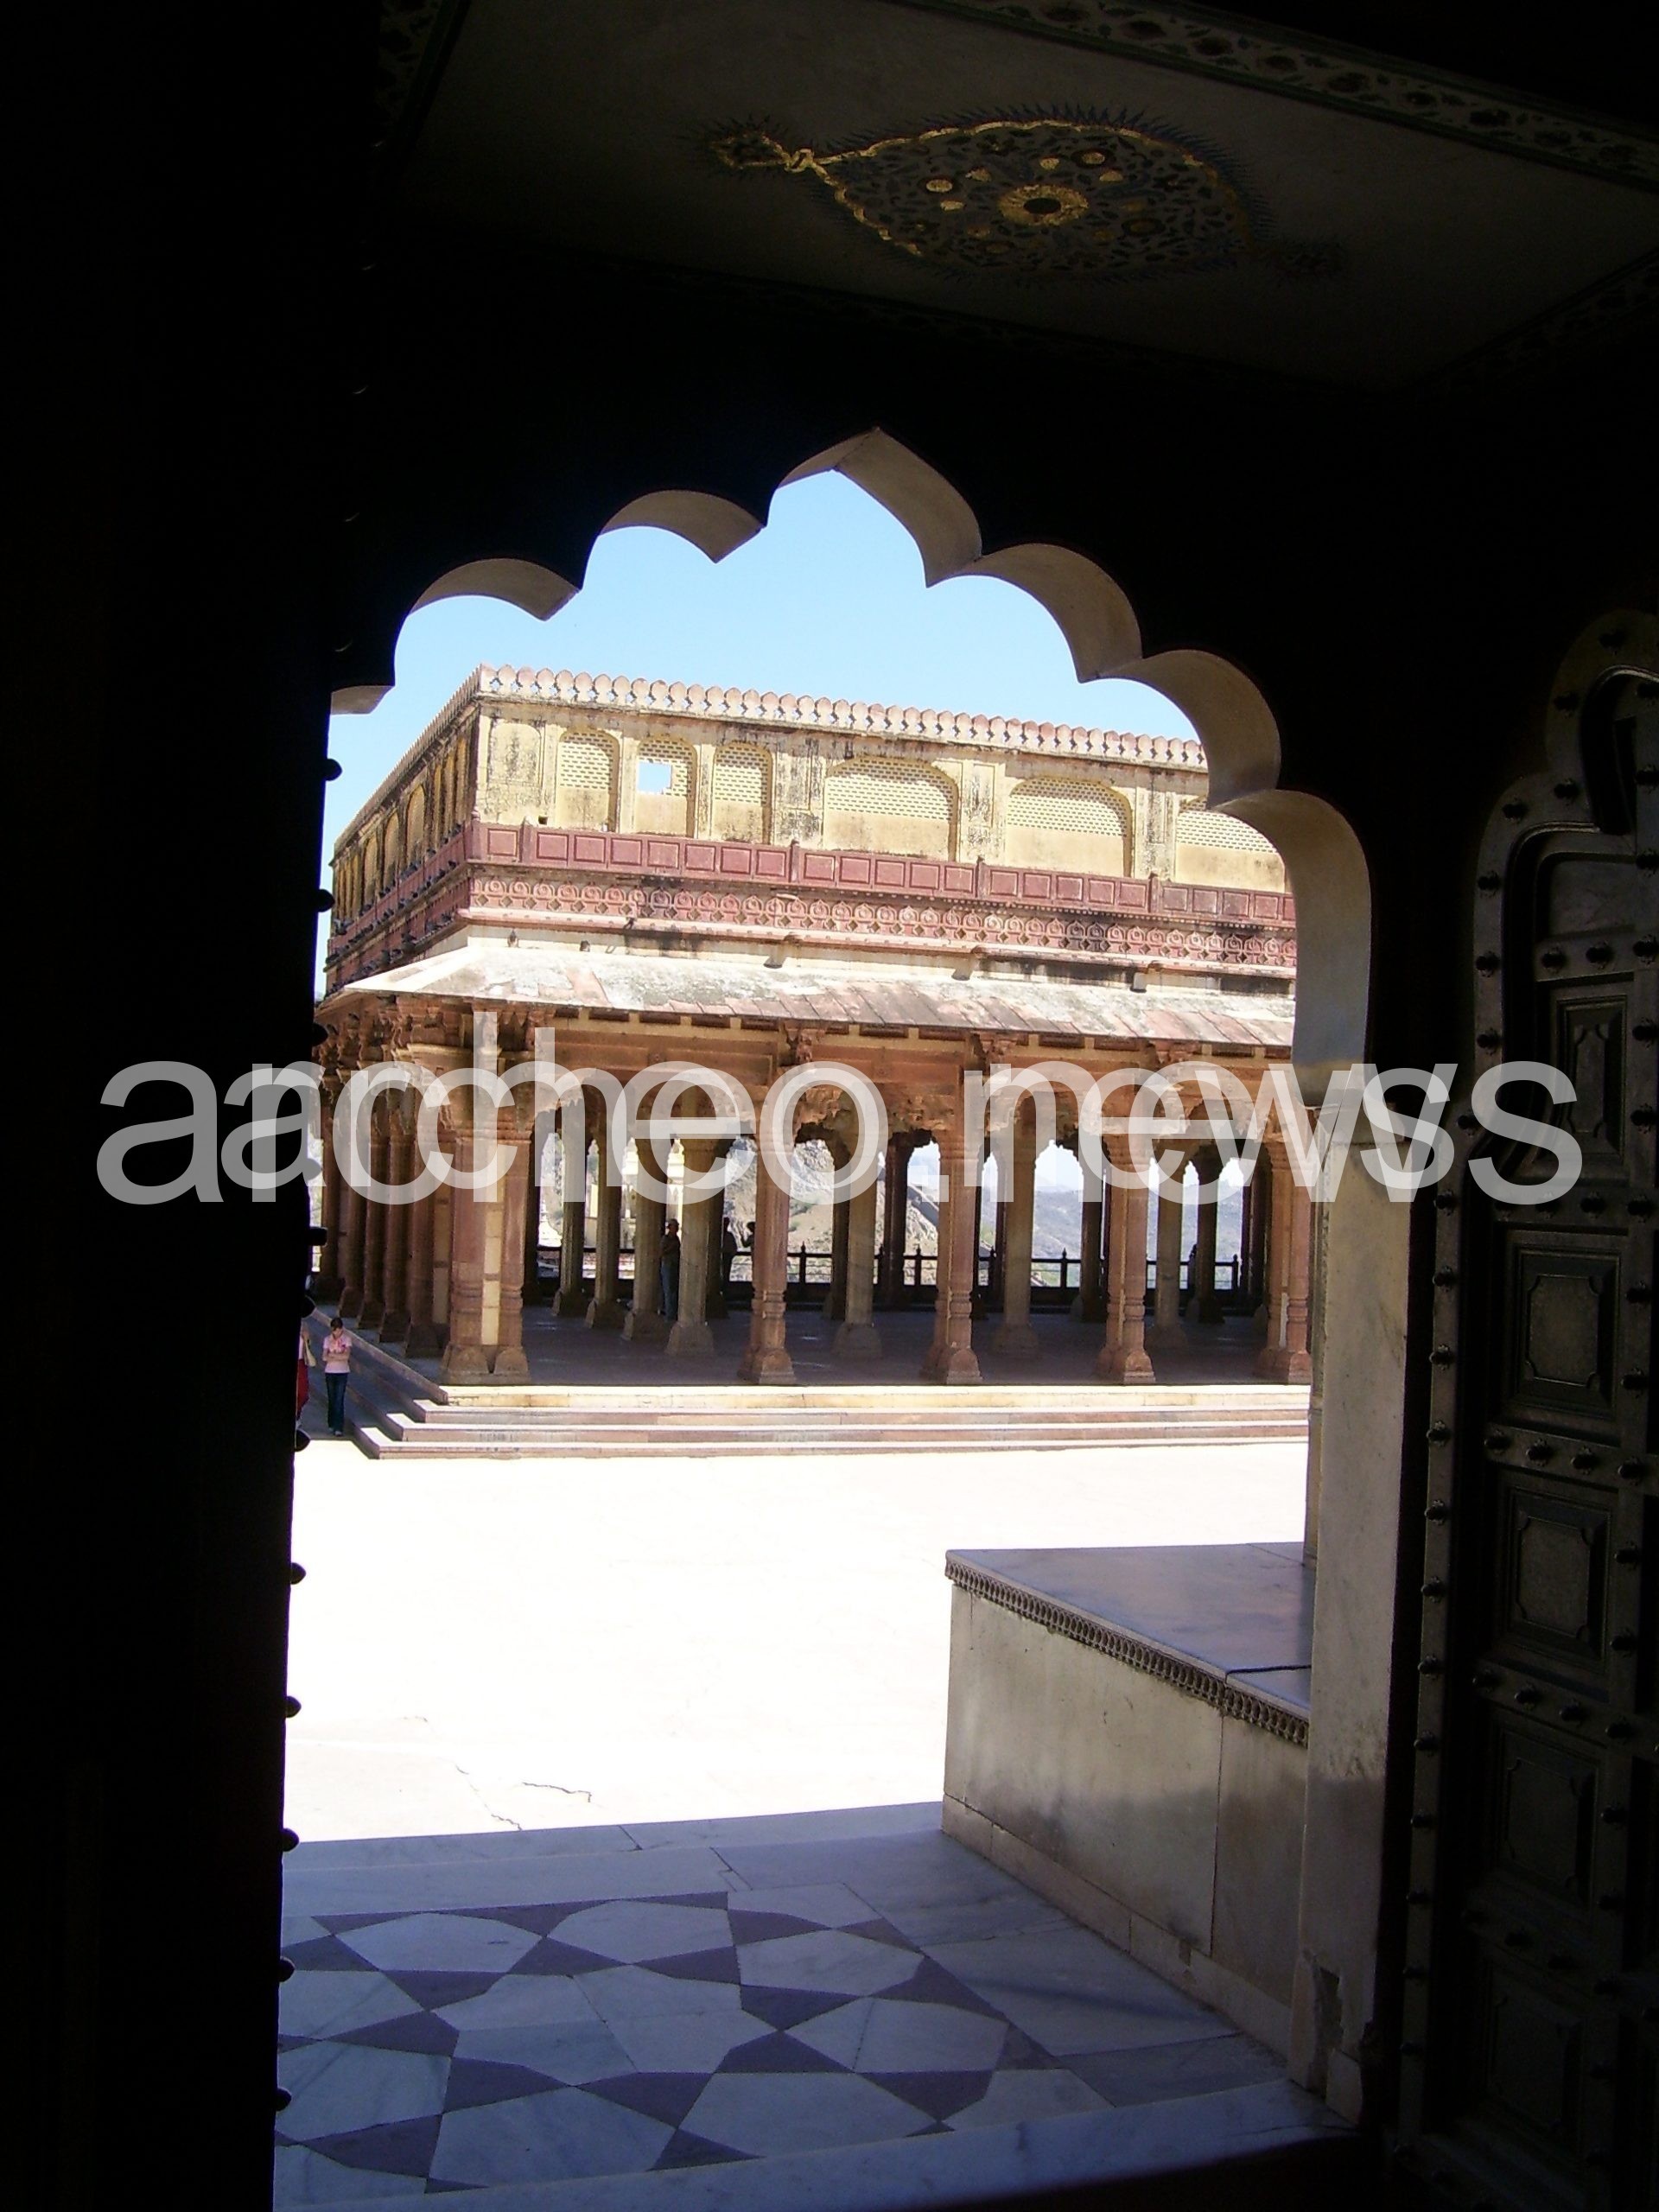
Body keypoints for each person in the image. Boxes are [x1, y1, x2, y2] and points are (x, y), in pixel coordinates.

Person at [321, 1314, 352, 1436]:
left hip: (342, 1372)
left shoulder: (347, 1339)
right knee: (332, 1398)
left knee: (339, 1399)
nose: (337, 1332)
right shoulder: (327, 1340)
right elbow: (324, 1357)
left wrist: (333, 1356)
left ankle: (339, 1427)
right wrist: (337, 1356)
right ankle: (331, 1423)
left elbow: (346, 1356)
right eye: (335, 1329)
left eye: (339, 1329)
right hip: (330, 1372)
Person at [660, 1218, 681, 1319]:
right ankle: (669, 1314)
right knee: (668, 1290)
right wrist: (671, 1248)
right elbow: (661, 1252)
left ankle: (673, 1312)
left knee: (674, 1290)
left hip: (675, 1266)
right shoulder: (666, 1239)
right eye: (674, 1227)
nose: (676, 1229)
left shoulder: (676, 1239)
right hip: (667, 1265)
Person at [720, 1216, 739, 1294]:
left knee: (726, 1272)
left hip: (726, 1255)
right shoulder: (720, 1235)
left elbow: (734, 1247)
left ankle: (725, 1288)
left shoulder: (729, 1236)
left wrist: (730, 1255)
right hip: (722, 1255)